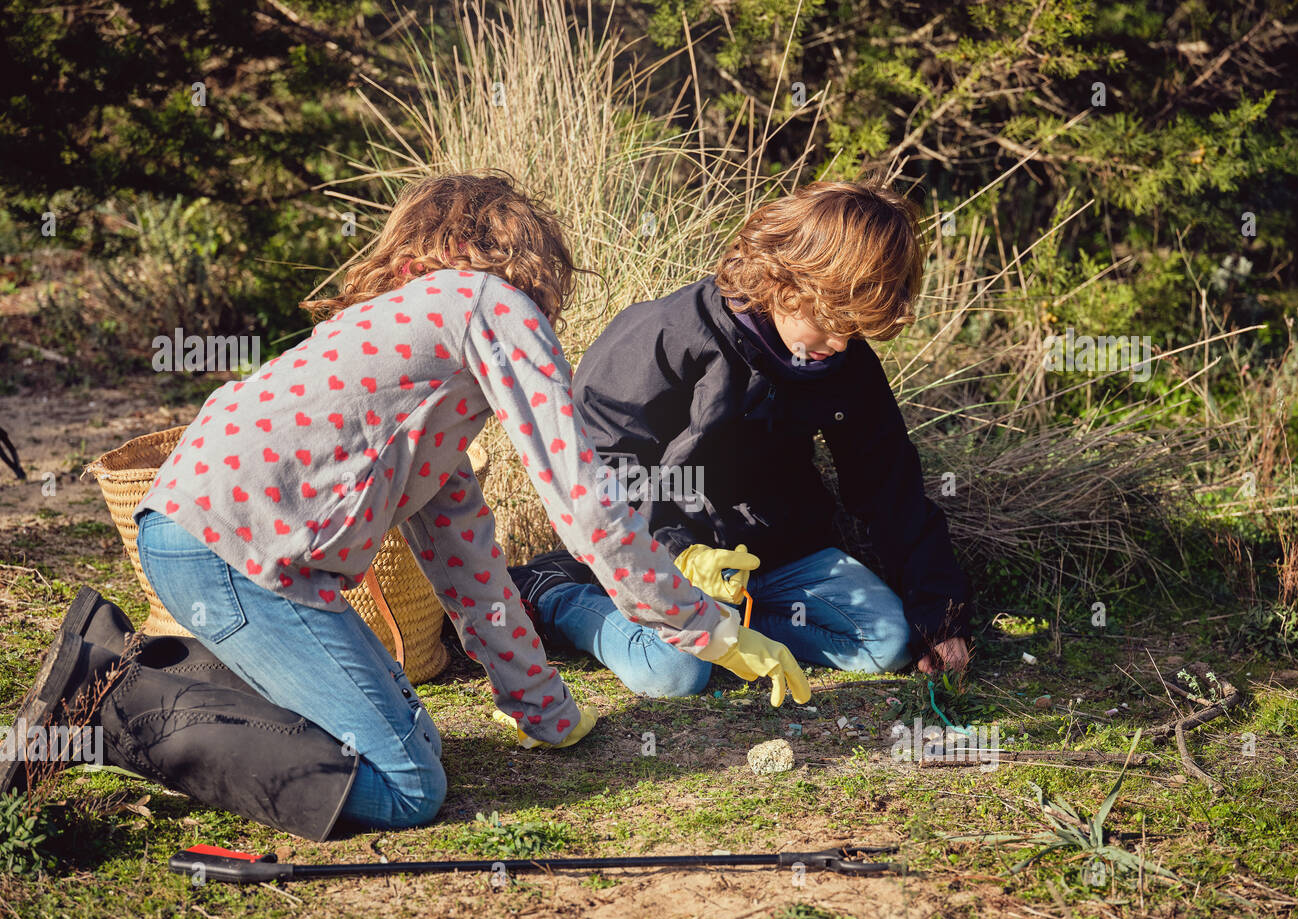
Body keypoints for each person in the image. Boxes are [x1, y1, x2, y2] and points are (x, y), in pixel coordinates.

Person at [5, 172, 809, 839]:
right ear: (524, 269)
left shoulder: (418, 401)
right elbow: (581, 496)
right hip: (233, 554)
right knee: (406, 786)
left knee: (413, 732)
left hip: (187, 533)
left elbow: (473, 575)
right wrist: (705, 626)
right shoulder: (491, 303)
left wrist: (544, 709)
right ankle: (110, 707)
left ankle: (125, 673)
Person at [508, 181, 972, 700]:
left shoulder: (841, 357)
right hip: (663, 551)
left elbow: (889, 485)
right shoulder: (663, 334)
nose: (841, 342)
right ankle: (555, 594)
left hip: (774, 555)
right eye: (832, 321)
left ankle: (731, 630)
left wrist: (940, 619)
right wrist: (676, 552)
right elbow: (598, 466)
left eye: (855, 329)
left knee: (886, 642)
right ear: (786, 279)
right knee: (673, 674)